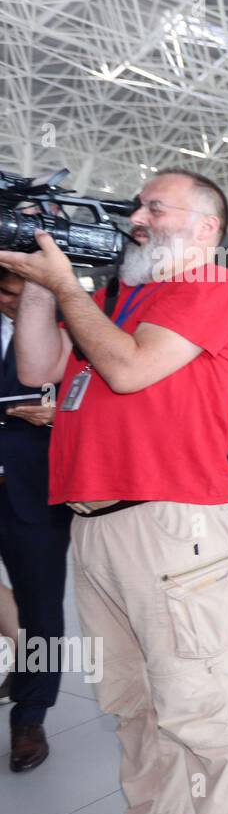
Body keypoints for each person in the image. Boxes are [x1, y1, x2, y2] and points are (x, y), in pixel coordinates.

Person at [1, 168, 228, 814]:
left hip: (169, 522)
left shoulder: (214, 284)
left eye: (156, 207)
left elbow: (127, 368)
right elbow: (37, 367)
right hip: (95, 522)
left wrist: (67, 288)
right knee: (132, 700)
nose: (136, 218)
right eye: (135, 207)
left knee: (199, 702)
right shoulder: (120, 299)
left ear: (208, 228)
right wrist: (40, 282)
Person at [0, 274, 71, 771]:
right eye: (5, 293)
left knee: (40, 607)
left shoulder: (69, 333)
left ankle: (30, 715)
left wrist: (60, 415)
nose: (13, 303)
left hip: (33, 492)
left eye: (23, 295)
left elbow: (101, 403)